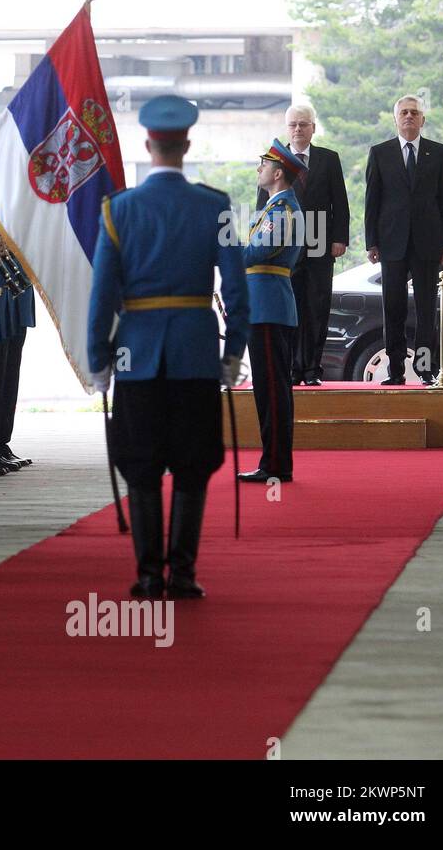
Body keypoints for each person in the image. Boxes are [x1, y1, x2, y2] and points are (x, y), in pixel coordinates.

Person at [86, 95, 248, 600]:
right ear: (187, 145)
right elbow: (238, 294)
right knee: (193, 463)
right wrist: (232, 353)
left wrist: (99, 360)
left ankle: (149, 575)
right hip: (197, 354)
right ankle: (183, 573)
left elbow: (103, 296)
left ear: (148, 145)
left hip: (136, 358)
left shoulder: (119, 209)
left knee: (141, 463)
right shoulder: (215, 205)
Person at [364, 95, 443, 385]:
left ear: (422, 120)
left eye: (414, 113)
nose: (408, 117)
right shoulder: (380, 153)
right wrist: (371, 242)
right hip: (391, 243)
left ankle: (426, 368)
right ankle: (396, 372)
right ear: (395, 119)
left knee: (427, 310)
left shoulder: (438, 153)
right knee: (393, 309)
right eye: (403, 112)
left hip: (428, 242)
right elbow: (372, 201)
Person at [256, 104, 349, 386]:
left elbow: (340, 203)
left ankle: (311, 370)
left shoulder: (328, 159)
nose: (298, 129)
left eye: (303, 124)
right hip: (285, 250)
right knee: (289, 310)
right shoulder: (272, 159)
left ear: (313, 128)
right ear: (287, 128)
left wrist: (339, 238)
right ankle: (291, 369)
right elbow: (263, 208)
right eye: (293, 124)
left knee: (317, 309)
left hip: (321, 245)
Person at [239, 140, 306, 484]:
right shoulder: (275, 208)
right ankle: (274, 461)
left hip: (269, 308)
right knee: (268, 389)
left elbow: (254, 254)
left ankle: (277, 464)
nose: (258, 169)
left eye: (263, 164)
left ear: (278, 173)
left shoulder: (282, 211)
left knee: (273, 390)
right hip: (265, 306)